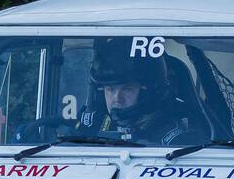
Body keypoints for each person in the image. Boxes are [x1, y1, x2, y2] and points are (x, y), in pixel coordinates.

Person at [79, 38, 208, 146]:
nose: (117, 98)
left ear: (147, 92)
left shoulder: (173, 138)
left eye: (127, 89)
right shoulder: (95, 122)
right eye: (110, 89)